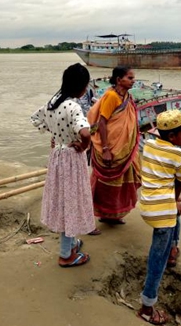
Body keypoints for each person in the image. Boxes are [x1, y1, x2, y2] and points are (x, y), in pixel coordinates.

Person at [31, 63, 95, 268]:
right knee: (72, 202)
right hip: (71, 159)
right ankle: (66, 254)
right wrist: (84, 145)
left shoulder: (53, 101)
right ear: (81, 86)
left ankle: (71, 242)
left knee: (63, 200)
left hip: (57, 156)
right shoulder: (74, 106)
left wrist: (55, 137)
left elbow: (36, 119)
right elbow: (85, 132)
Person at [137, 110, 181, 326]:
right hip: (162, 212)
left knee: (176, 213)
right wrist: (175, 200)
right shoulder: (179, 154)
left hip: (146, 204)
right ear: (172, 136)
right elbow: (180, 183)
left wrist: (174, 201)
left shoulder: (148, 144)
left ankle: (173, 250)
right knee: (156, 259)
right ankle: (147, 307)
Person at [87, 66, 141, 227]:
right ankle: (95, 215)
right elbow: (102, 122)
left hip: (124, 149)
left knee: (121, 183)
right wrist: (105, 149)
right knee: (104, 185)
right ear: (119, 80)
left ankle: (114, 215)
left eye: (133, 78)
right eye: (130, 78)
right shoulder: (111, 96)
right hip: (110, 147)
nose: (133, 81)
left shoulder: (126, 97)